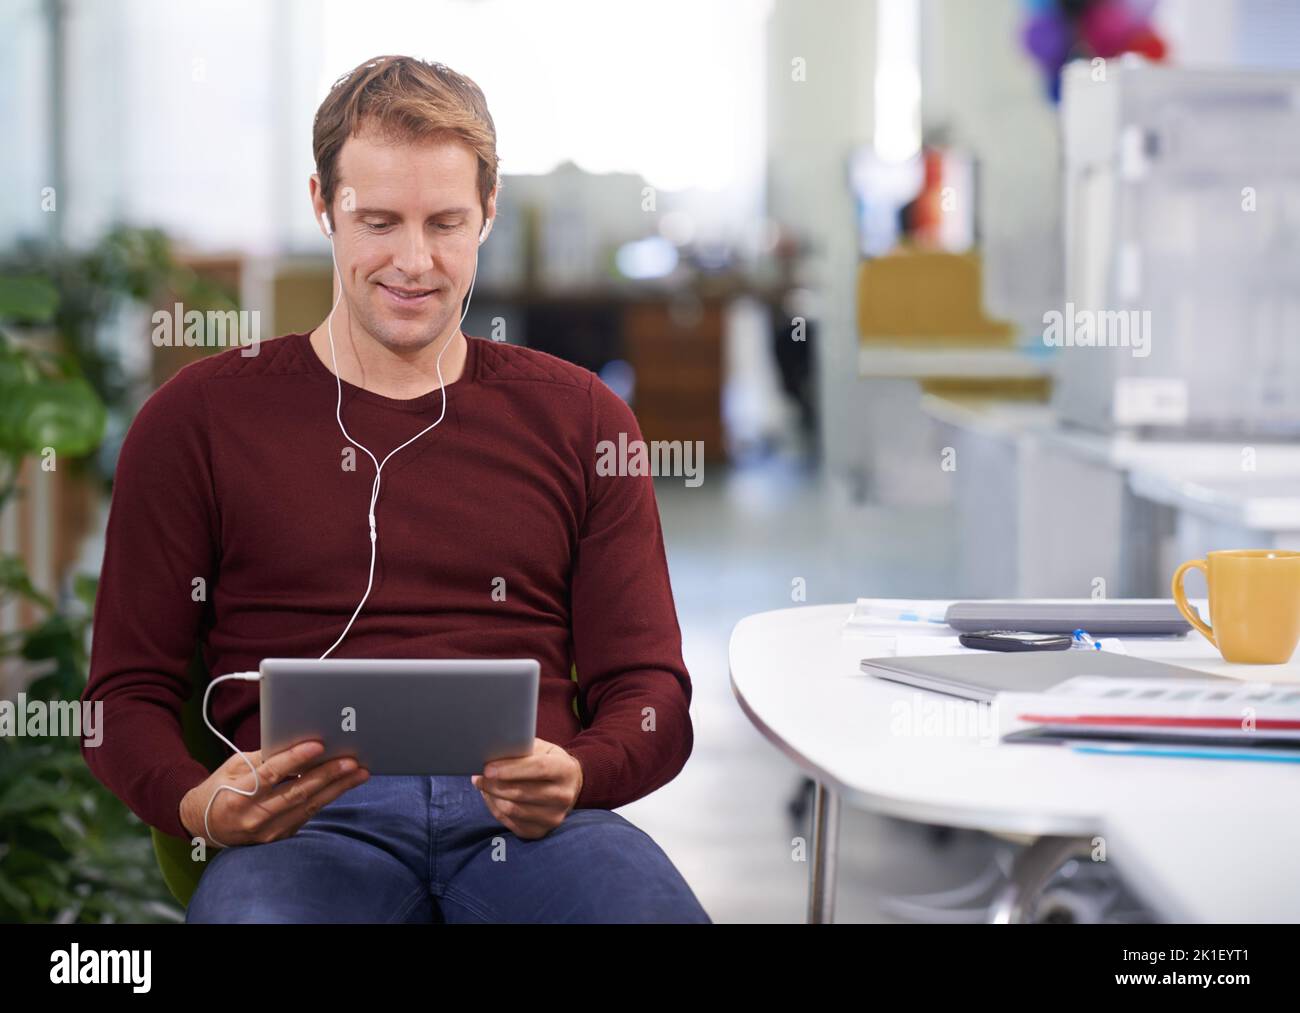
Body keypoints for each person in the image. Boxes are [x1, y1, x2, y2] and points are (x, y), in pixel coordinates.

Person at [80, 54, 710, 924]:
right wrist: (198, 806)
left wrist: (582, 770)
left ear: (489, 213)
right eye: (378, 220)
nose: (414, 262)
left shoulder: (585, 421)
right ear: (321, 206)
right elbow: (122, 696)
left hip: (533, 827)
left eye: (445, 222)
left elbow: (653, 694)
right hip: (303, 830)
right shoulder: (196, 421)